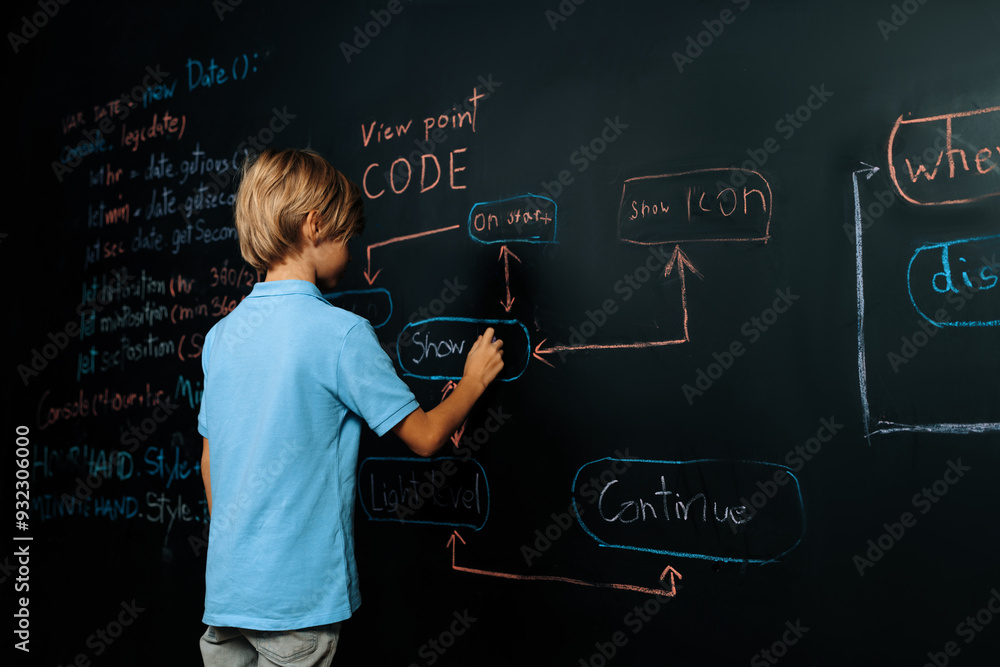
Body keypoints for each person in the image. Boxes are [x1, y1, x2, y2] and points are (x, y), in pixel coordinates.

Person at [197, 148, 504, 665]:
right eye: (346, 237)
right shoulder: (340, 334)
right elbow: (425, 437)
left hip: (227, 598)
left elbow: (209, 463)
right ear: (314, 226)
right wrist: (472, 383)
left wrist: (243, 555)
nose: (355, 252)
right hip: (297, 605)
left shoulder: (221, 337)